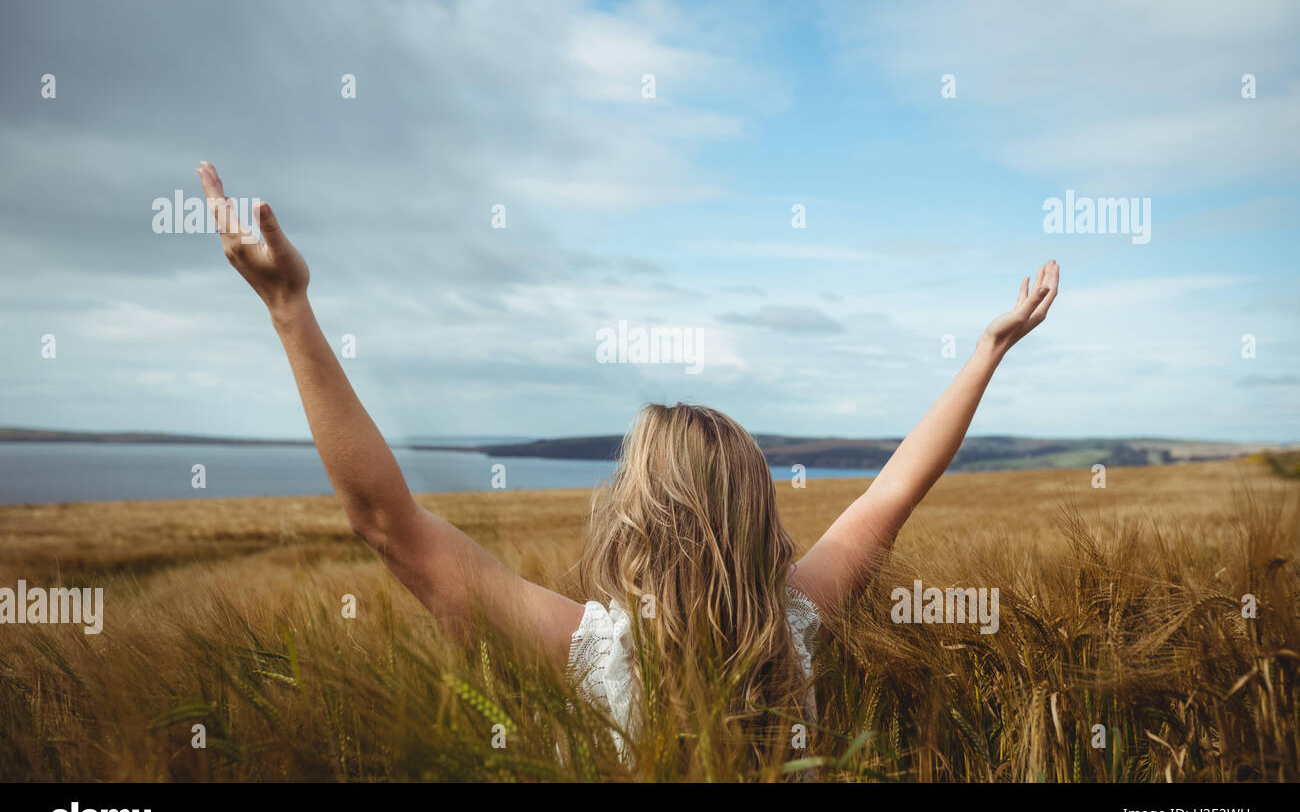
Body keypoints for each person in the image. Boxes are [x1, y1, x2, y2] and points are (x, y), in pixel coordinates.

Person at [196, 160, 1060, 768]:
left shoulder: (589, 655)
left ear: (634, 518)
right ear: (755, 514)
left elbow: (385, 523)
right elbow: (895, 487)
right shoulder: (797, 626)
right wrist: (986, 352)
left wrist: (288, 308)